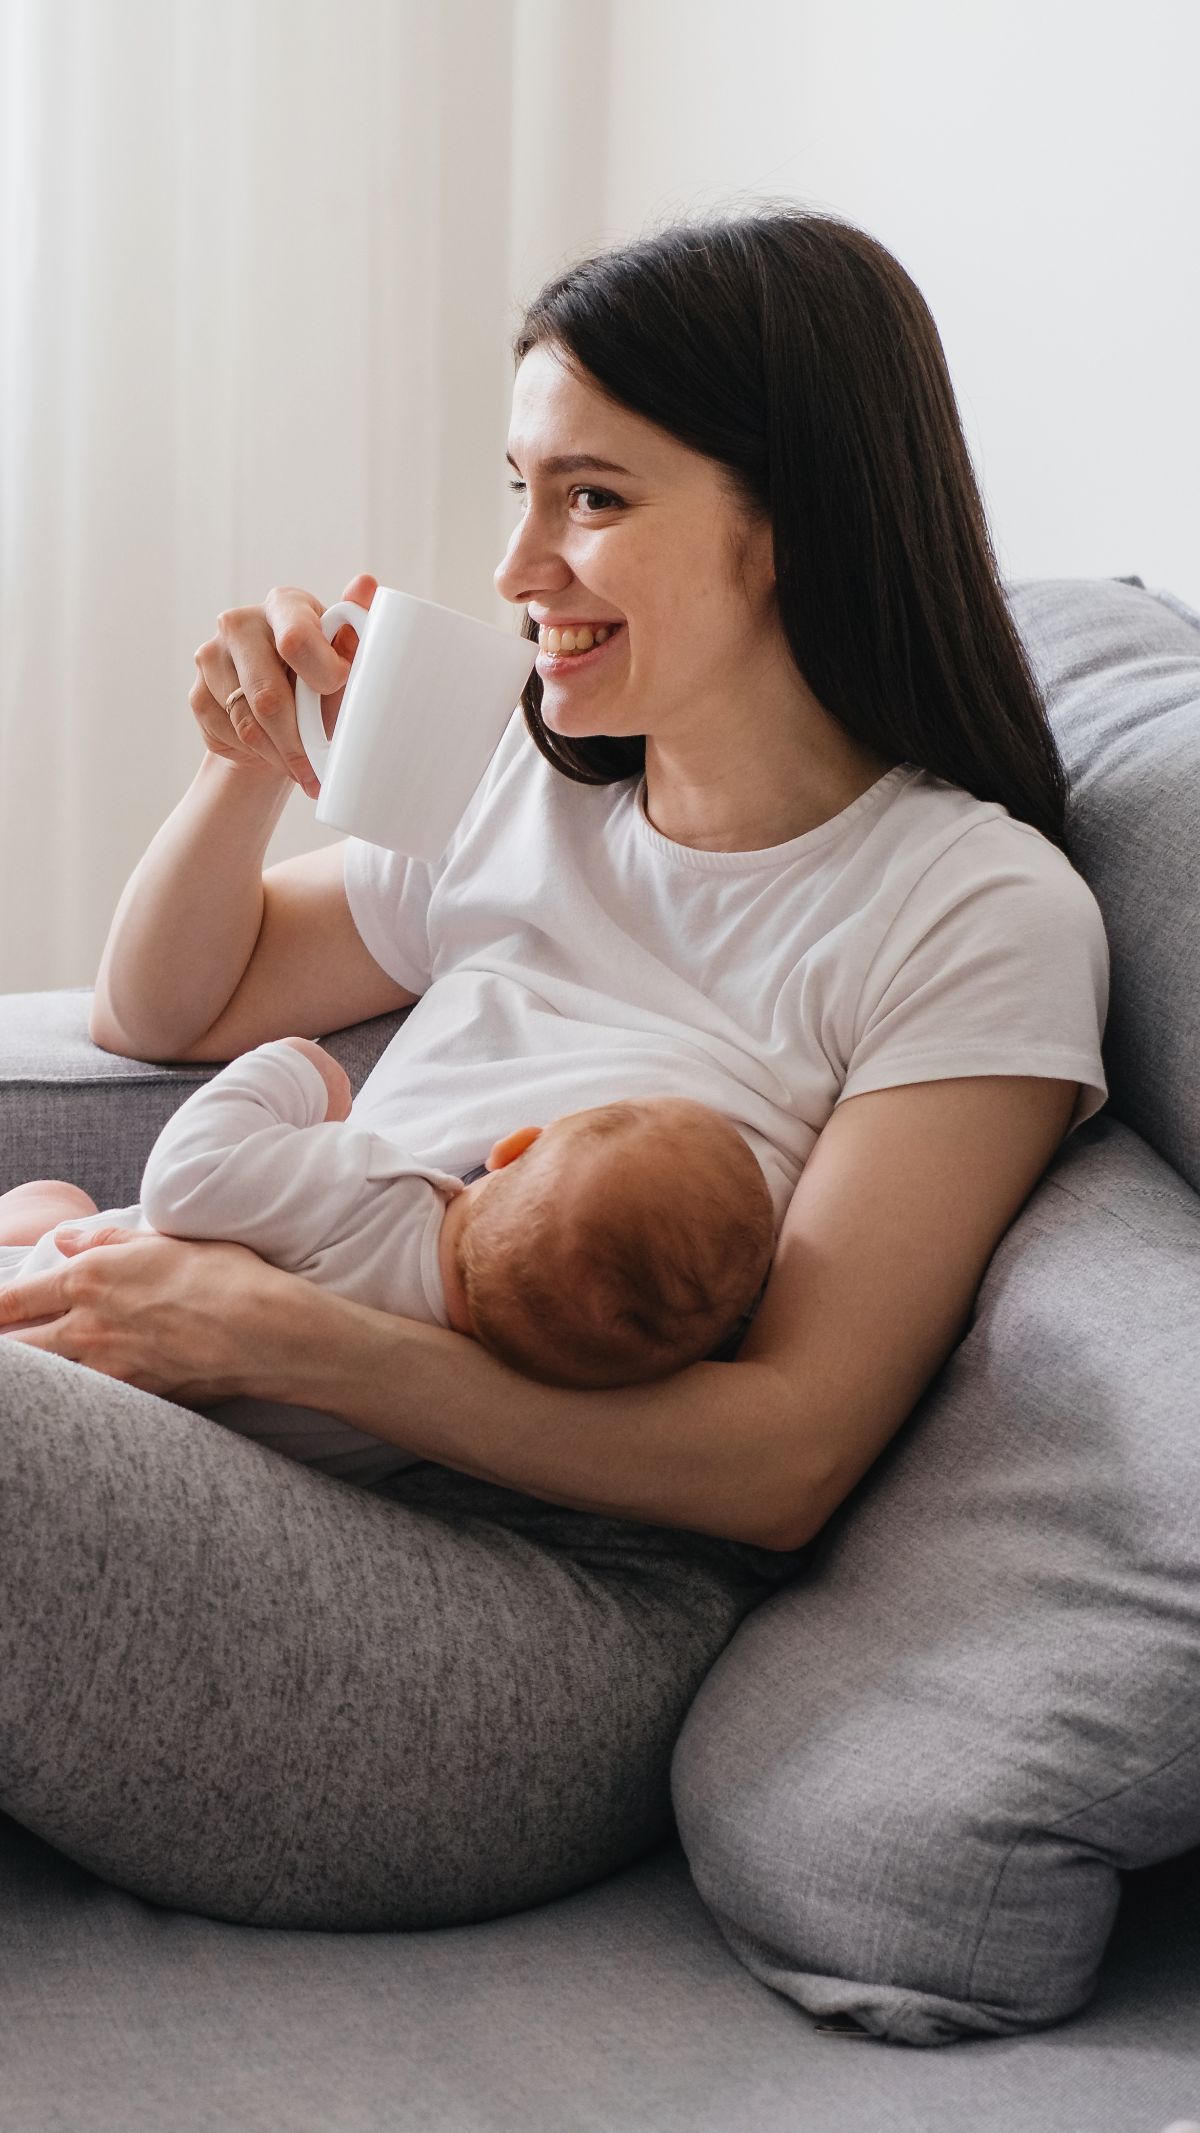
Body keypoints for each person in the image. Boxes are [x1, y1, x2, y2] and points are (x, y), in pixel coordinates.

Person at [0, 205, 1109, 1932]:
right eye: (521, 489)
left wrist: (275, 1333)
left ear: (788, 525)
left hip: (528, 1604)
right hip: (247, 1447)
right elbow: (166, 1010)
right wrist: (251, 765)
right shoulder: (530, 788)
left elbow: (787, 1454)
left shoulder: (968, 907)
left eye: (589, 499)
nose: (519, 566)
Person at [0, 1034, 776, 1482]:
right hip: (143, 1437)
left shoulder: (364, 1192)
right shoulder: (438, 1417)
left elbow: (181, 1182)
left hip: (48, 1308)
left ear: (513, 1146)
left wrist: (292, 1069)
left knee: (52, 1203)